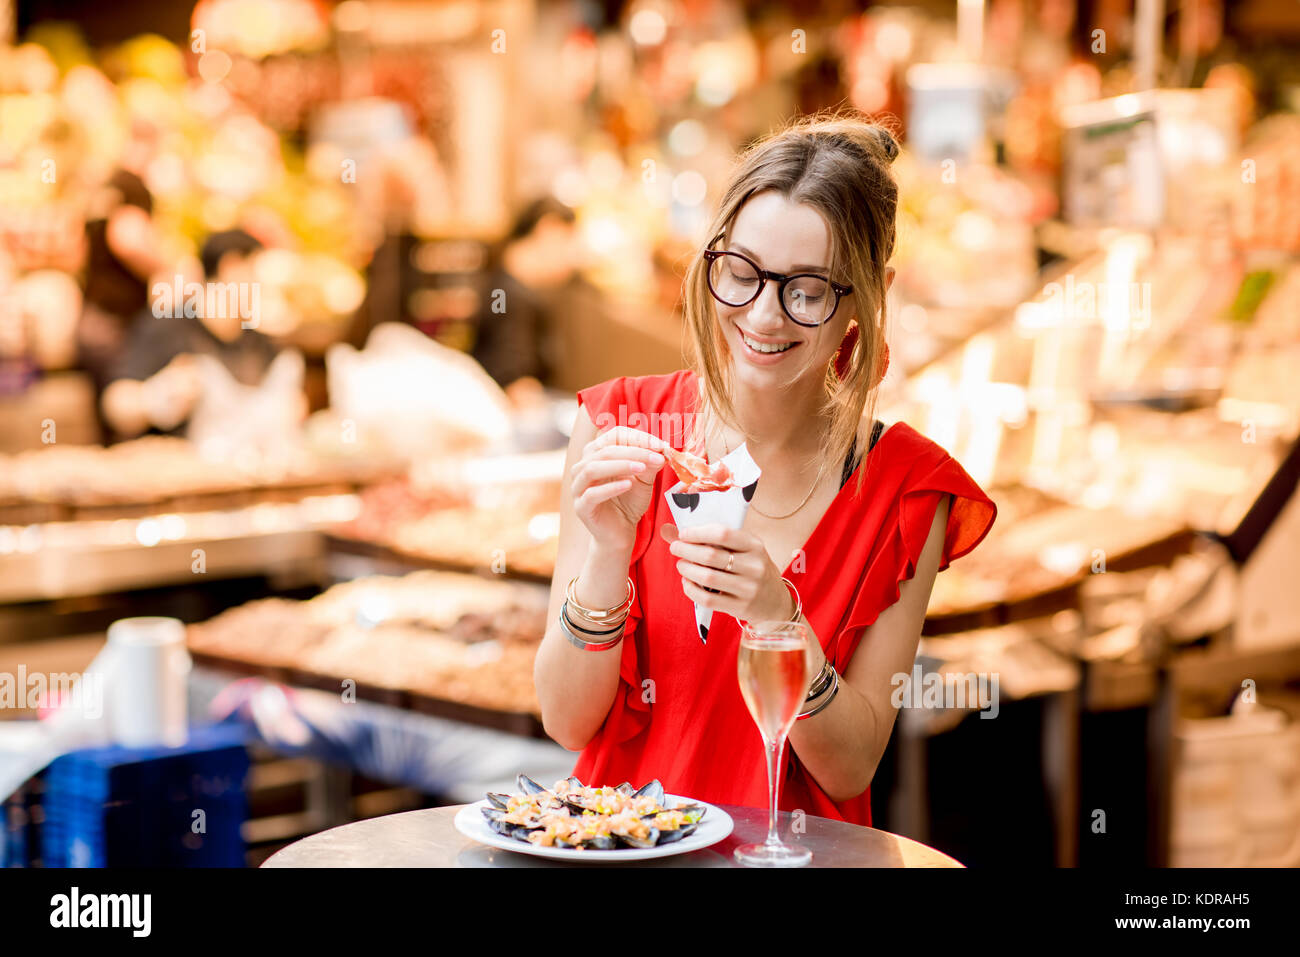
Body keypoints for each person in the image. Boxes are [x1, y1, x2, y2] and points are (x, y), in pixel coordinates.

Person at [533, 113, 998, 827]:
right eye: (741, 273)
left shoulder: (907, 489)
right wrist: (605, 556)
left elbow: (850, 763)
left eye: (806, 290)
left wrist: (780, 620)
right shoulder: (622, 425)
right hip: (621, 848)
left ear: (870, 294)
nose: (762, 315)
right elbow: (567, 722)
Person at [100, 229, 281, 439]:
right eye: (257, 275)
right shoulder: (167, 327)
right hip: (170, 463)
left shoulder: (258, 343)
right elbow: (114, 405)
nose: (265, 288)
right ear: (231, 266)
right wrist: (153, 398)